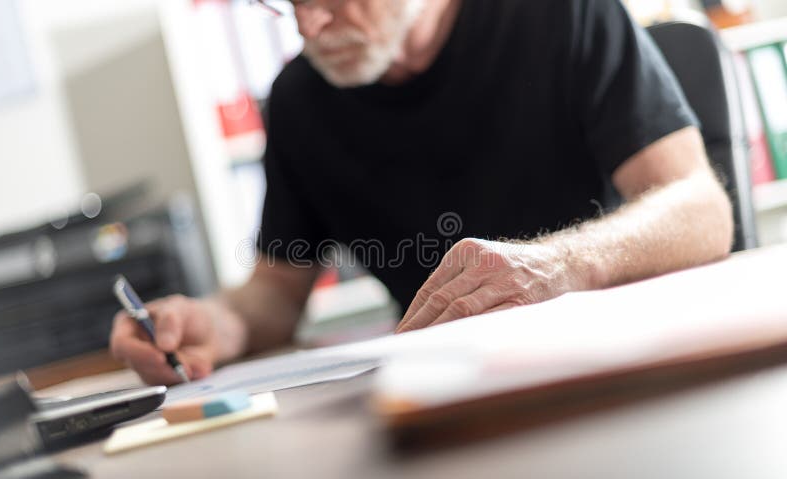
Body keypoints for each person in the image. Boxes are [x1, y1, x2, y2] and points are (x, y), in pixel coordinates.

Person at [111, 0, 733, 385]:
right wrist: (212, 325)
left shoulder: (557, 11)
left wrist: (559, 266)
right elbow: (276, 290)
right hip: (448, 391)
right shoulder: (300, 100)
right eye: (284, 1)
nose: (309, 23)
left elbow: (701, 208)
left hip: (611, 365)